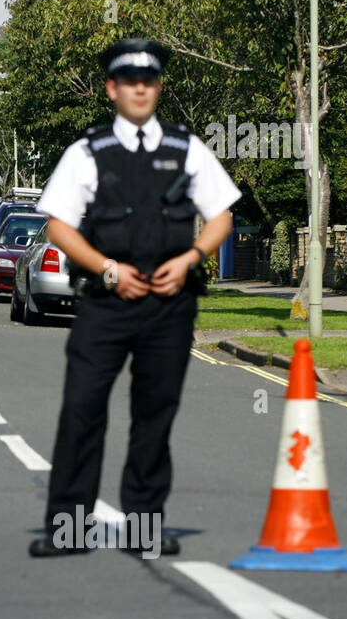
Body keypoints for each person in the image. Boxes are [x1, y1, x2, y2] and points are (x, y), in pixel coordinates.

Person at [28, 38, 241, 558]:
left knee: (155, 414)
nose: (140, 89)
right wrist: (106, 268)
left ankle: (144, 526)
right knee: (82, 409)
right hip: (105, 303)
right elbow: (58, 226)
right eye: (129, 81)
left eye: (148, 81)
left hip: (169, 305)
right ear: (112, 89)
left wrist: (191, 259)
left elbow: (222, 216)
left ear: (158, 88)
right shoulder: (87, 152)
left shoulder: (187, 148)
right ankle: (70, 528)